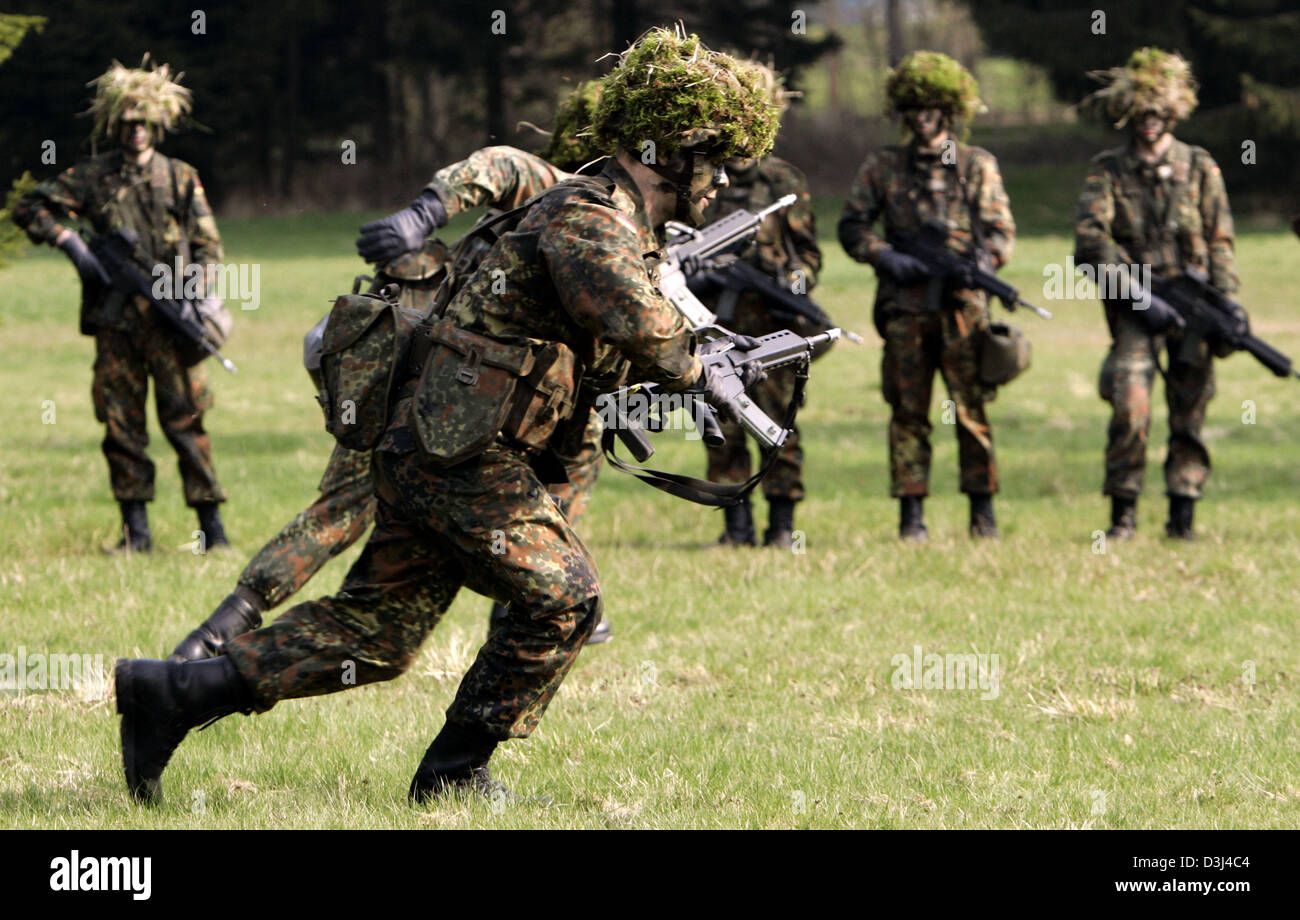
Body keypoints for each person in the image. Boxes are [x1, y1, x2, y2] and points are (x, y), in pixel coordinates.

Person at [114, 27, 778, 805]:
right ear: (667, 150)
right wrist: (702, 368)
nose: (724, 179)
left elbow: (612, 345)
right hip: (457, 454)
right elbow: (640, 323)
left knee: (378, 636)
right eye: (714, 159)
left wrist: (702, 365)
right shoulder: (592, 218)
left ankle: (171, 694)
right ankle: (454, 773)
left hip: (443, 447)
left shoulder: (624, 225)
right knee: (566, 596)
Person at [168, 88, 616, 664]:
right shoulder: (563, 193)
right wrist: (423, 213)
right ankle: (212, 643)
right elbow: (498, 165)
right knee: (345, 509)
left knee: (356, 513)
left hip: (491, 407)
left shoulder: (614, 230)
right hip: (434, 391)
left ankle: (213, 642)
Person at [11, 56, 230, 552]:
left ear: (157, 124)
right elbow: (30, 206)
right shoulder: (93, 176)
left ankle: (213, 533)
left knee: (188, 423)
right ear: (116, 125)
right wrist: (71, 243)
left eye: (144, 123)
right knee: (121, 425)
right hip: (116, 325)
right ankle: (137, 536)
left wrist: (196, 289)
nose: (136, 133)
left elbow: (208, 243)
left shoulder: (179, 176)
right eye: (128, 123)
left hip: (172, 324)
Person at [838, 51, 1016, 541]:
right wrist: (885, 256)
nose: (921, 119)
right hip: (905, 309)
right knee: (908, 412)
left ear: (948, 111)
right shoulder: (884, 165)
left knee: (971, 410)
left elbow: (1002, 231)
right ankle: (911, 517)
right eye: (913, 110)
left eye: (930, 109)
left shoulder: (976, 165)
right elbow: (852, 226)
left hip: (962, 309)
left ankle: (983, 514)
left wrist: (983, 264)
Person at [1074, 48, 1237, 540]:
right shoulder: (1107, 170)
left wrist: (1227, 303)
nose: (1149, 123)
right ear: (1127, 114)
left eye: (1158, 114)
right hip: (1136, 309)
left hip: (1194, 308)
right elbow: (1089, 243)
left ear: (1173, 112)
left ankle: (1182, 513)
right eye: (1141, 114)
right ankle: (1123, 515)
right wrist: (1138, 298)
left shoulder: (1200, 167)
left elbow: (1220, 240)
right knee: (1130, 404)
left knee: (1191, 407)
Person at [700, 63, 824, 549]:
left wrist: (790, 282)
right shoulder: (705, 175)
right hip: (716, 326)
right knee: (721, 425)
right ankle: (736, 529)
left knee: (779, 427)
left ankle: (781, 527)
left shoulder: (782, 182)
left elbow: (811, 258)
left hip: (772, 331)